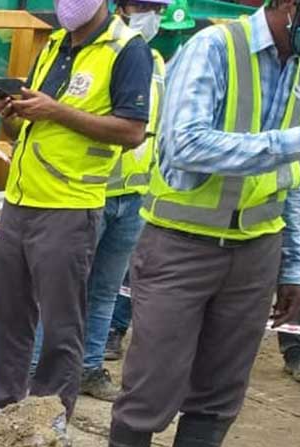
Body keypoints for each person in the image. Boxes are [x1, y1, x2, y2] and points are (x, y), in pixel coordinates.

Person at [107, 0, 300, 447]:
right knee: (152, 385)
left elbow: (294, 177)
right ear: (290, 6)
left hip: (256, 252)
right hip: (180, 244)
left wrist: (292, 265)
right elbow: (186, 145)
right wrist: (294, 141)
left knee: (220, 392)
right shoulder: (215, 48)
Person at [0, 0, 152, 418]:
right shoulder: (54, 44)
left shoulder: (127, 48)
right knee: (8, 316)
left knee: (61, 324)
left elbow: (133, 131)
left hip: (70, 206)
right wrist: (10, 114)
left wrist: (56, 111)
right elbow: (27, 127)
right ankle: (3, 410)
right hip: (21, 198)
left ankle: (50, 418)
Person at [32, 0, 172, 402]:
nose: (153, 15)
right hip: (88, 192)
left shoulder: (154, 62)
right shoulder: (89, 53)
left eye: (159, 9)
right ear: (124, 6)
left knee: (106, 291)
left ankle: (90, 367)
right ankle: (39, 373)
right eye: (148, 6)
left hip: (134, 195)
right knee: (62, 294)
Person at [105, 0, 194, 363]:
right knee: (88, 285)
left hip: (149, 186)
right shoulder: (122, 54)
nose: (162, 30)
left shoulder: (166, 63)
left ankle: (107, 339)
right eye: (150, 10)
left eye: (163, 18)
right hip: (100, 188)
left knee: (126, 275)